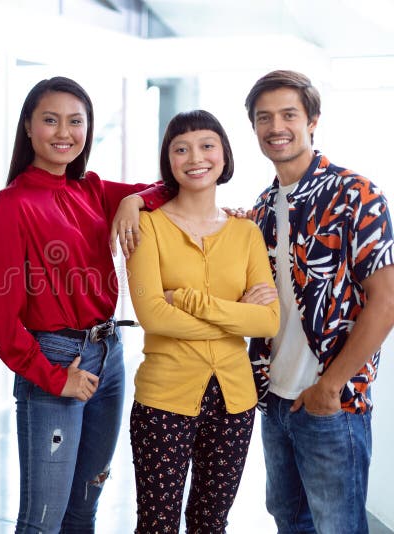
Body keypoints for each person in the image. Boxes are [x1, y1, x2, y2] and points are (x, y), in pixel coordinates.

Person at [0, 76, 173, 533]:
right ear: (28, 127)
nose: (63, 132)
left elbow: (170, 187)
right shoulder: (11, 205)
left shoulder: (91, 189)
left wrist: (131, 202)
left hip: (110, 356)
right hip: (55, 361)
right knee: (43, 520)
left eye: (75, 121)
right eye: (50, 120)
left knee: (84, 508)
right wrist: (53, 377)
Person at [245, 70, 394, 534]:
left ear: (312, 121)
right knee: (289, 523)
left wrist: (330, 387)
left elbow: (386, 302)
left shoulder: (356, 195)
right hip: (275, 400)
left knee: (338, 528)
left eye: (289, 114)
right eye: (264, 117)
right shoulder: (262, 208)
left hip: (332, 405)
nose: (276, 127)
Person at [125, 109, 279, 533]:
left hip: (235, 400)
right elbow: (152, 315)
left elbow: (268, 322)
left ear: (224, 156)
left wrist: (189, 301)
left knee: (211, 523)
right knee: (156, 523)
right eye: (181, 148)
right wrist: (237, 318)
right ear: (169, 161)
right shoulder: (147, 226)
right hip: (163, 400)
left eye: (207, 145)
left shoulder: (247, 232)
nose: (196, 156)